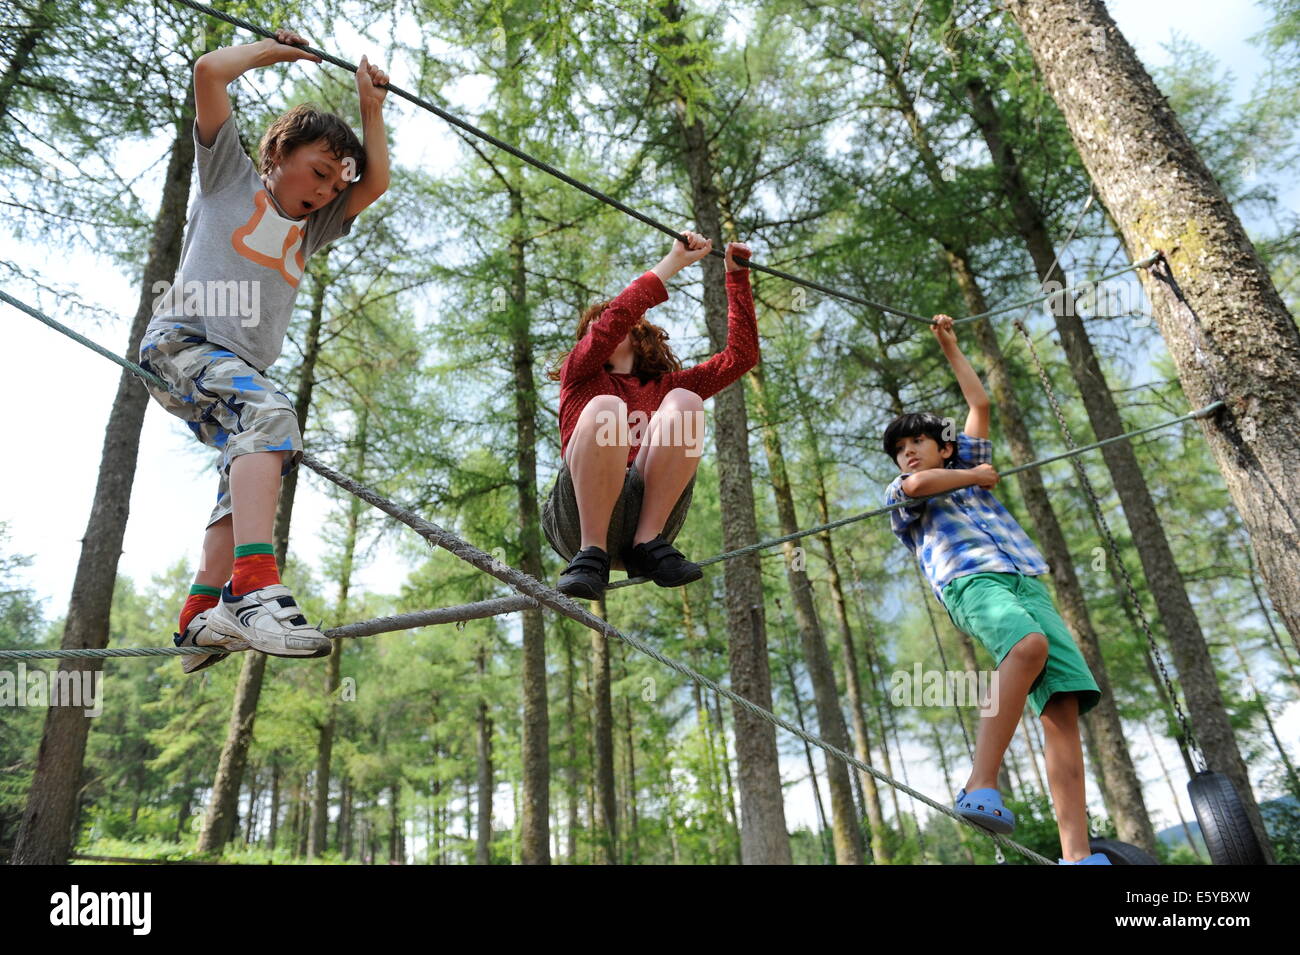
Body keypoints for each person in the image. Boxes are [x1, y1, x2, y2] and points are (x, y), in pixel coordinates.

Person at [138, 29, 390, 673]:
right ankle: (252, 585)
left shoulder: (314, 230)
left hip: (234, 372)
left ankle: (200, 614)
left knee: (253, 463)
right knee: (271, 420)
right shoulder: (229, 176)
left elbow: (376, 182)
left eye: (337, 185)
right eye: (319, 172)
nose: (327, 190)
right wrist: (275, 54)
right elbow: (209, 74)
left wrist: (372, 110)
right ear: (277, 153)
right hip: (182, 345)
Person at [882, 313, 1108, 865]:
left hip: (1026, 579)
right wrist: (969, 477)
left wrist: (951, 347)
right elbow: (918, 485)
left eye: (918, 441)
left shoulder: (965, 461)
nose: (908, 451)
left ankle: (1077, 855)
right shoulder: (910, 487)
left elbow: (978, 405)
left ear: (946, 446)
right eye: (899, 448)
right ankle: (980, 784)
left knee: (1062, 707)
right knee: (1028, 646)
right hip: (971, 580)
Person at [543, 232, 756, 600]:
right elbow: (617, 319)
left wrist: (736, 277)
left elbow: (741, 357)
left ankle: (648, 543)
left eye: (608, 320)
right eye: (598, 324)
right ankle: (591, 553)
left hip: (648, 519)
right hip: (577, 520)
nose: (603, 326)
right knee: (608, 409)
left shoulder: (665, 387)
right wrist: (674, 261)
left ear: (638, 333)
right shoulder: (579, 375)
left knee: (687, 402)